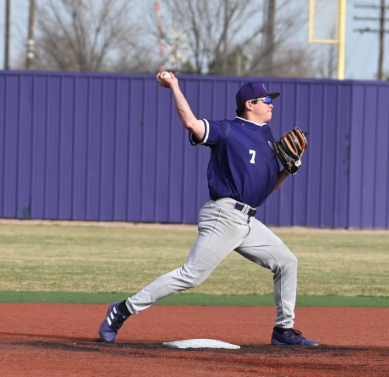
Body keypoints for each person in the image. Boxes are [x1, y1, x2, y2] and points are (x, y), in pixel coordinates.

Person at [99, 72, 318, 346]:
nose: (271, 104)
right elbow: (191, 123)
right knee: (191, 275)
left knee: (286, 262)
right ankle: (122, 310)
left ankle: (283, 331)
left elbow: (266, 189)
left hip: (247, 221)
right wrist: (174, 86)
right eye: (266, 99)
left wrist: (287, 170)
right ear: (249, 104)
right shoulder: (229, 130)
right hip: (224, 215)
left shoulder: (269, 140)